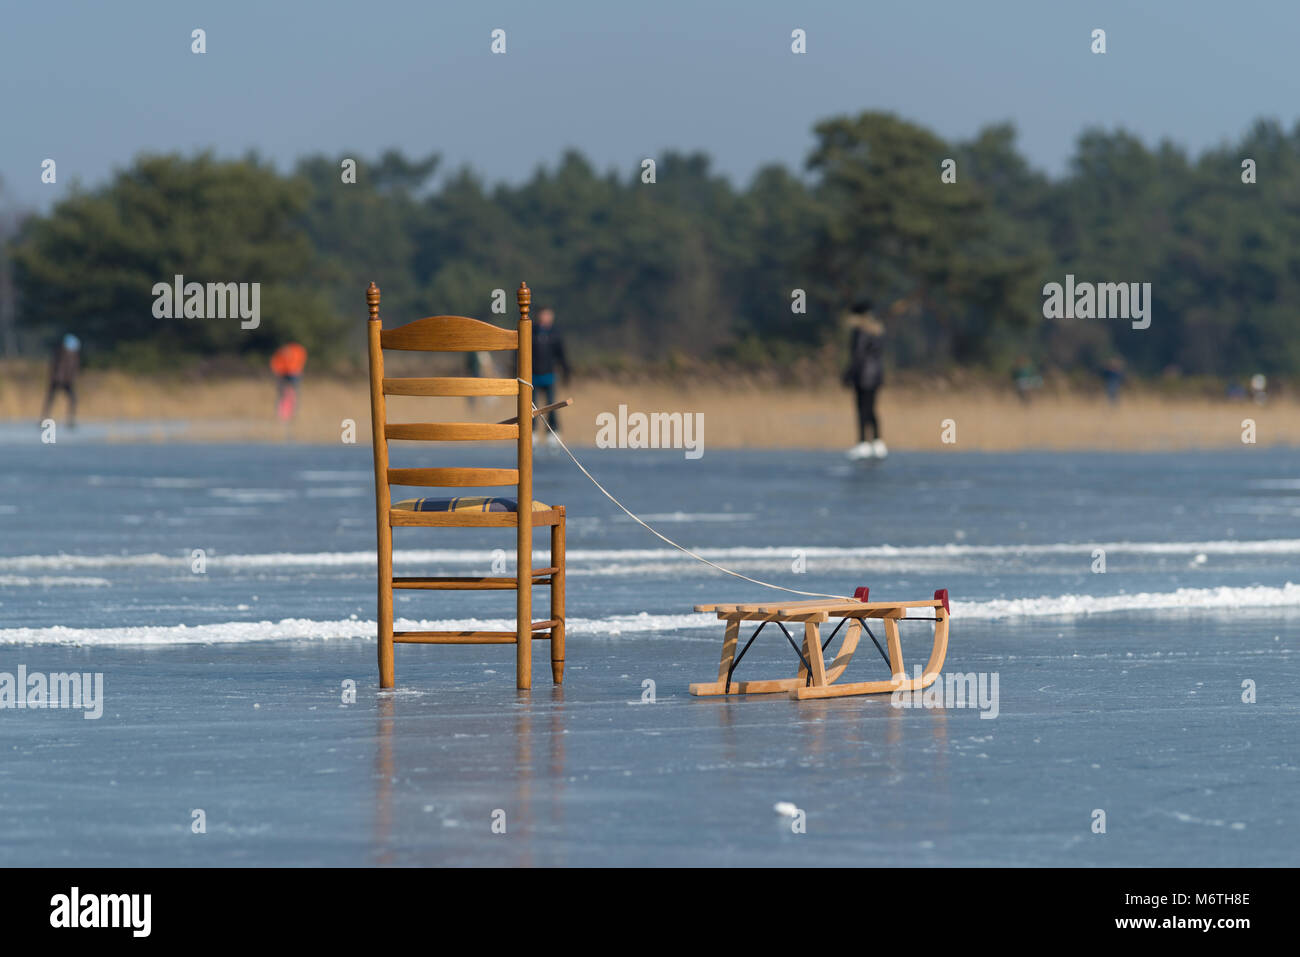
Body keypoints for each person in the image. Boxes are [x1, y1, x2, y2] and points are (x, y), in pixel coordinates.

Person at [842, 299, 886, 458]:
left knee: (861, 409)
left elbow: (858, 355)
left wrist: (848, 373)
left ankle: (862, 443)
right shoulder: (877, 331)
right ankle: (877, 442)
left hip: (862, 375)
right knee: (872, 409)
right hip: (876, 375)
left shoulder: (860, 332)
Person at [531, 307, 570, 445]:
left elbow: (562, 355)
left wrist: (566, 373)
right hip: (533, 377)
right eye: (544, 315)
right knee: (532, 408)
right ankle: (532, 432)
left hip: (549, 376)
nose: (546, 317)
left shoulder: (555, 334)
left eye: (548, 315)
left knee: (551, 406)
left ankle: (553, 432)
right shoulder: (531, 332)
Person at [41, 333, 81, 427]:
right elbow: (57, 367)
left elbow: (72, 369)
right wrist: (56, 378)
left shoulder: (73, 355)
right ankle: (44, 419)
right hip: (58, 380)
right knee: (51, 400)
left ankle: (70, 420)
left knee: (72, 399)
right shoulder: (62, 353)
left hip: (67, 381)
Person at [269, 342, 308, 421]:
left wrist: (295, 370)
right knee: (281, 393)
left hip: (294, 374)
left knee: (294, 394)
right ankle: (281, 414)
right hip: (283, 374)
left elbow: (299, 363)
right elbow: (275, 364)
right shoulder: (280, 354)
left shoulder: (298, 351)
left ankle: (293, 414)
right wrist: (278, 371)